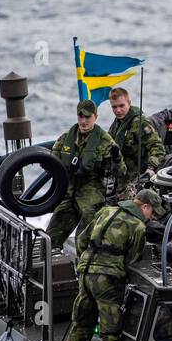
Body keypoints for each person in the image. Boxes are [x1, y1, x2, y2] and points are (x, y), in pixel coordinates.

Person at [56, 189, 160, 341]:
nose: (152, 218)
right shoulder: (137, 226)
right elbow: (132, 259)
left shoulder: (106, 211)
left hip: (85, 273)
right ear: (145, 206)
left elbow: (82, 238)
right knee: (110, 331)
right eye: (153, 213)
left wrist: (88, 262)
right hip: (108, 280)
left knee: (81, 325)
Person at [46, 99, 126, 253]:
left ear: (95, 117)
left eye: (87, 117)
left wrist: (117, 158)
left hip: (91, 193)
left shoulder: (105, 142)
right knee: (51, 237)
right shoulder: (66, 138)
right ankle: (50, 263)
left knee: (84, 239)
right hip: (68, 191)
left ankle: (83, 268)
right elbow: (52, 162)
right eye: (80, 117)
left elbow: (120, 172)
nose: (83, 121)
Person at [108, 87, 165, 182]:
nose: (118, 110)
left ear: (129, 103)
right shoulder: (117, 124)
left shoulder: (140, 123)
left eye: (122, 106)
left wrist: (150, 168)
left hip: (139, 178)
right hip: (122, 178)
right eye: (114, 107)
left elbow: (157, 147)